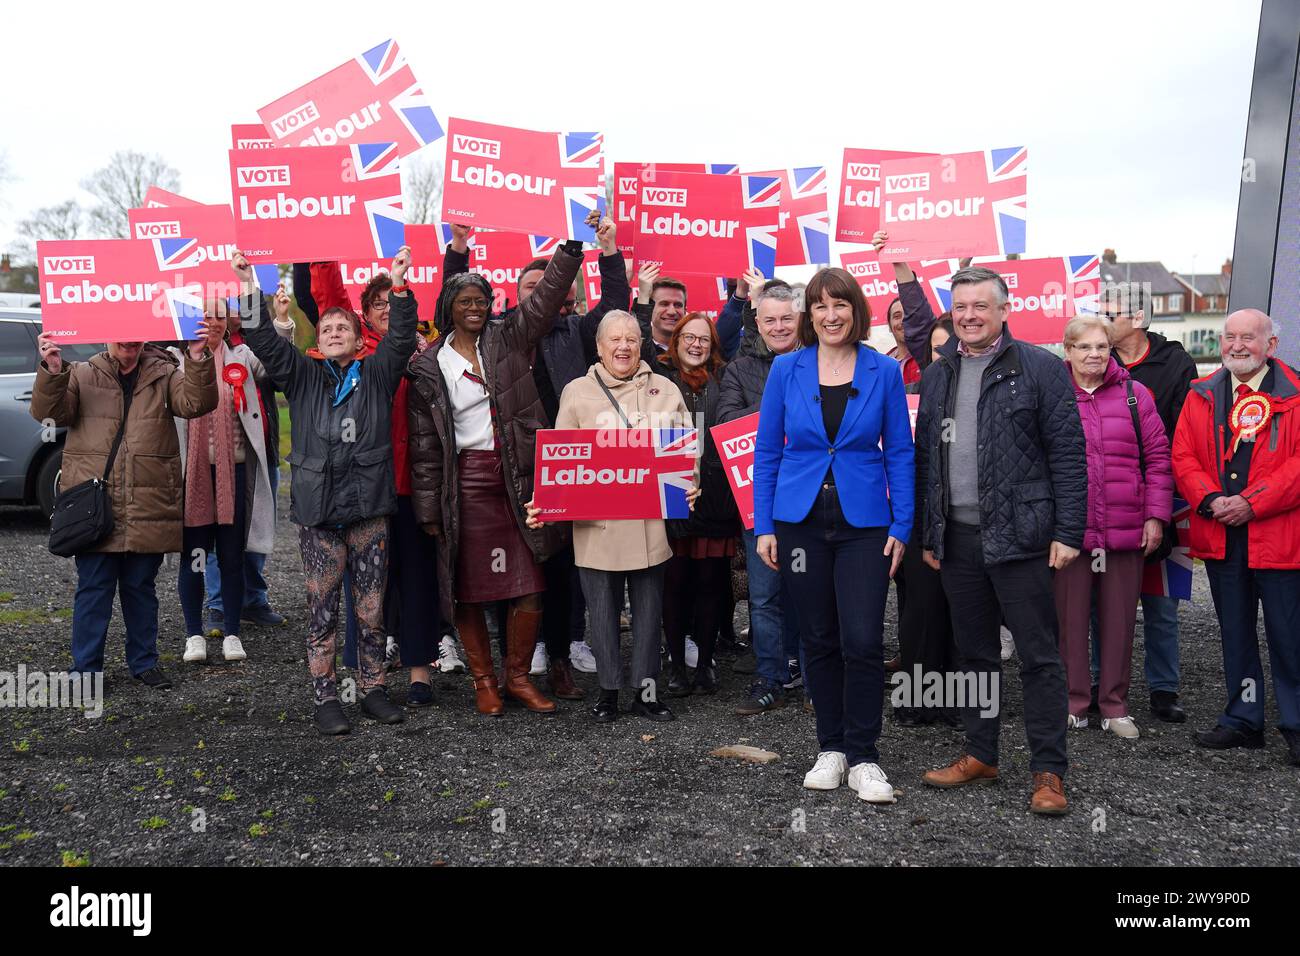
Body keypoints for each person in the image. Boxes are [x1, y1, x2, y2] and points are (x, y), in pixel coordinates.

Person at [912, 266, 1086, 815]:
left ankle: (1048, 772)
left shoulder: (1040, 368)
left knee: (1039, 657)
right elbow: (926, 462)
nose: (969, 316)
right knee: (974, 653)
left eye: (980, 307)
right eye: (961, 307)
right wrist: (929, 532)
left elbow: (1068, 454)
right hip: (957, 541)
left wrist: (1068, 531)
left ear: (1004, 310)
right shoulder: (938, 374)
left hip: (1023, 539)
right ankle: (981, 753)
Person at [441, 215, 628, 695]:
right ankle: (516, 663)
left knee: (562, 562)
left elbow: (613, 305)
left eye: (544, 286)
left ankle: (562, 653)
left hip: (566, 461)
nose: (536, 293)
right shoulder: (495, 333)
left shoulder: (577, 331)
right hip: (511, 465)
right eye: (529, 286)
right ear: (517, 294)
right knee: (512, 566)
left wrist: (607, 251)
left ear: (558, 294)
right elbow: (454, 300)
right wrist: (458, 250)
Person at [235, 247, 416, 734]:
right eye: (328, 328)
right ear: (320, 338)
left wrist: (399, 287)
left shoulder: (377, 375)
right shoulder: (303, 376)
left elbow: (401, 338)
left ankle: (374, 690)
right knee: (322, 612)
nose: (335, 332)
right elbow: (263, 342)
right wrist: (248, 286)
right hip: (319, 516)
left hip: (369, 512)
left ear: (359, 340)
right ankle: (325, 698)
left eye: (344, 328)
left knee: (371, 610)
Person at [752, 267, 913, 804]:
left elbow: (902, 452)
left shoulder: (883, 372)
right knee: (818, 636)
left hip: (865, 525)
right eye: (819, 306)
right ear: (809, 315)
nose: (830, 315)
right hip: (799, 522)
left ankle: (865, 756)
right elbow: (768, 451)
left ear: (855, 310)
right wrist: (765, 525)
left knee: (863, 640)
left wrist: (903, 524)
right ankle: (832, 748)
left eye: (839, 304)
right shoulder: (785, 369)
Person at [406, 241, 584, 717]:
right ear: (448, 308)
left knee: (529, 580)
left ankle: (518, 677)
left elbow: (545, 299)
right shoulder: (429, 365)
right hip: (463, 484)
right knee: (468, 588)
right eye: (465, 302)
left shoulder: (507, 339)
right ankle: (484, 683)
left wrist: (569, 252)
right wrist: (428, 511)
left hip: (516, 478)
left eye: (482, 301)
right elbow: (424, 446)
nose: (475, 308)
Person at [525, 310, 697, 722]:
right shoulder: (577, 392)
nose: (624, 347)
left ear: (642, 345)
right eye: (614, 340)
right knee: (600, 614)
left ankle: (647, 693)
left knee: (648, 612)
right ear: (599, 347)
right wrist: (542, 502)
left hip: (649, 526)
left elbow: (684, 453)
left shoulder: (666, 389)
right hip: (596, 526)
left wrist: (690, 485)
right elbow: (561, 458)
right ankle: (607, 692)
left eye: (632, 340)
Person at [294, 252, 446, 701]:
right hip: (367, 491)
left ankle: (420, 670)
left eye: (390, 300)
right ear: (363, 317)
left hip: (415, 485)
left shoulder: (422, 349)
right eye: (375, 302)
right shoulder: (359, 357)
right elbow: (329, 300)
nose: (384, 307)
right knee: (362, 589)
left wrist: (402, 289)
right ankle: (358, 677)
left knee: (416, 578)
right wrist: (321, 247)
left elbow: (406, 330)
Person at [32, 329, 218, 689]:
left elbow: (197, 404)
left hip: (147, 504)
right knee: (93, 589)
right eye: (121, 332)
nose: (128, 340)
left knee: (140, 588)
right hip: (96, 509)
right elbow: (49, 414)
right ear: (105, 334)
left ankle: (144, 663)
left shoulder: (165, 373)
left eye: (136, 332)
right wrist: (53, 370)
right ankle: (85, 670)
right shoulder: (82, 373)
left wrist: (197, 358)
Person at [1173, 308, 1300, 765]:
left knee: (1290, 637)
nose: (1237, 346)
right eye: (1229, 337)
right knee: (1236, 634)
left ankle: (1297, 724)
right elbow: (1182, 454)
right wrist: (1210, 500)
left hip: (1280, 538)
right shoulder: (1202, 393)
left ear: (1272, 345)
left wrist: (1253, 501)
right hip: (1225, 536)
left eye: (1249, 337)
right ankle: (1244, 719)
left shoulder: (1297, 393)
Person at [1056, 315, 1172, 739]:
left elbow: (1158, 459)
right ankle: (1073, 702)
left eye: (1101, 347)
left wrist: (1155, 515)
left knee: (1120, 620)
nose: (1094, 355)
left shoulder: (1134, 395)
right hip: (1070, 533)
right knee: (1069, 621)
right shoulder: (1051, 395)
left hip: (1124, 530)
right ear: (1067, 350)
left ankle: (1115, 705)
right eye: (1084, 347)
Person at [1101, 280, 1198, 723]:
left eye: (1109, 314)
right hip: (1108, 497)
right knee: (1104, 599)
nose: (1102, 321)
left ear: (1136, 319)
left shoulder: (1175, 362)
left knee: (1161, 601)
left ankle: (1163, 688)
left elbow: (1183, 433)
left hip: (1166, 496)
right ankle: (1102, 683)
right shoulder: (1094, 360)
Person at [717, 275, 809, 714]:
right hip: (762, 502)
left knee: (813, 591)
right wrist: (783, 410)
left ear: (800, 318)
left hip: (813, 500)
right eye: (769, 319)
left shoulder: (821, 360)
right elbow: (727, 420)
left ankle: (815, 679)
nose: (778, 327)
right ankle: (769, 677)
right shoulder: (739, 368)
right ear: (757, 320)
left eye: (786, 318)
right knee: (766, 594)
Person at [172, 296, 278, 665]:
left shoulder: (242, 357)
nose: (212, 322)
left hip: (234, 472)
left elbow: (276, 363)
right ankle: (194, 634)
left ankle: (232, 631)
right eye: (203, 315)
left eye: (218, 314)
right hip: (195, 476)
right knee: (195, 556)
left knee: (232, 556)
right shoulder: (176, 360)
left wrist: (281, 322)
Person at [657, 311, 742, 695]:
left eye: (704, 339)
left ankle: (706, 662)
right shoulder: (658, 379)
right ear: (675, 342)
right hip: (672, 493)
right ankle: (676, 665)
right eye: (688, 337)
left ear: (712, 346)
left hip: (716, 494)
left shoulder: (725, 380)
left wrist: (748, 304)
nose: (696, 344)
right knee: (674, 582)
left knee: (711, 583)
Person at [632, 265, 744, 364]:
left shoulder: (698, 349)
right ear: (650, 308)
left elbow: (723, 336)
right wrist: (643, 297)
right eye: (664, 304)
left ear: (685, 310)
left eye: (677, 305)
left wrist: (738, 292)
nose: (671, 311)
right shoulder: (635, 349)